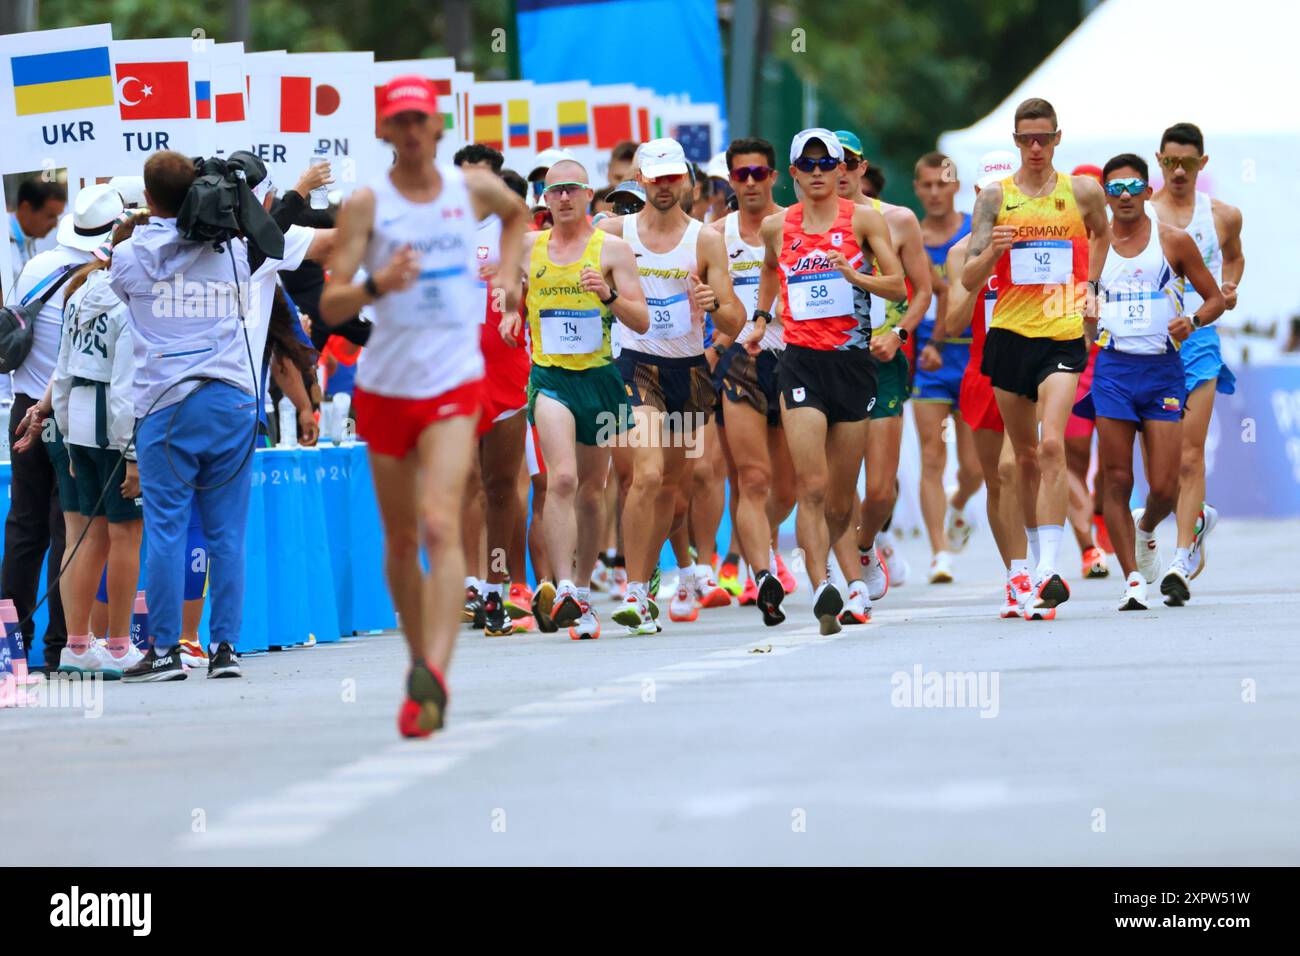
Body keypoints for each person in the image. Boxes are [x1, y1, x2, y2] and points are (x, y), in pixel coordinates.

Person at [319, 76, 526, 735]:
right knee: (404, 537)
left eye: (420, 120)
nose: (410, 131)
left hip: (453, 381)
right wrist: (379, 283)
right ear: (385, 130)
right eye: (398, 121)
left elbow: (520, 214)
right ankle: (417, 657)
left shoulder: (472, 191)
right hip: (385, 384)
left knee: (442, 522)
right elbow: (330, 304)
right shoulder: (366, 205)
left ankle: (435, 673)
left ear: (437, 127)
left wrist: (513, 278)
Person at [962, 97, 1110, 621]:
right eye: (1025, 138)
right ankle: (1022, 572)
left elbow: (1102, 230)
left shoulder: (1081, 191)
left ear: (1058, 138)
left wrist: (1091, 286)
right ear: (1015, 139)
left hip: (1064, 336)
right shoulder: (995, 199)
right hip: (1009, 337)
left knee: (1051, 449)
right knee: (1021, 460)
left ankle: (1048, 570)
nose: (1034, 147)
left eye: (1043, 137)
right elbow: (966, 278)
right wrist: (994, 252)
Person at [756, 128, 904, 634]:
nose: (819, 172)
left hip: (854, 365)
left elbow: (898, 283)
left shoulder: (862, 219)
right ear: (794, 172)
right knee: (811, 485)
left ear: (840, 169)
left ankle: (848, 565)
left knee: (842, 497)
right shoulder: (778, 227)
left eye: (827, 164)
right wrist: (759, 319)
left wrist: (857, 276)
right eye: (809, 164)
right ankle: (823, 586)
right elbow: (771, 275)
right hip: (800, 362)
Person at [598, 138, 744, 634]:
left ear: (686, 180)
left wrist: (712, 301)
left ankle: (657, 569)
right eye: (655, 177)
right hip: (634, 365)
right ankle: (636, 591)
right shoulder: (615, 233)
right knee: (646, 473)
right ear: (640, 179)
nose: (663, 187)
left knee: (675, 494)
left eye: (671, 177)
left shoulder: (704, 240)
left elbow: (735, 316)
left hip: (689, 371)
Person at [504, 158, 648, 638]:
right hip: (550, 380)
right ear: (544, 199)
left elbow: (641, 320)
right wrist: (510, 314)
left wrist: (607, 295)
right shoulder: (527, 247)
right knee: (561, 478)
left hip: (601, 379)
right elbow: (509, 287)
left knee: (592, 488)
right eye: (554, 190)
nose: (563, 198)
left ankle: (582, 593)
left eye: (572, 189)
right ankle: (561, 584)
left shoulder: (614, 250)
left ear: (589, 196)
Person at [1085, 154, 1224, 609]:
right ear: (1106, 196)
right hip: (1113, 371)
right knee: (1117, 476)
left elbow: (1215, 298)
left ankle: (1147, 528)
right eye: (1116, 189)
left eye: (1133, 187)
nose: (1125, 196)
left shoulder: (1173, 242)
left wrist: (1194, 320)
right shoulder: (1094, 247)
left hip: (1163, 370)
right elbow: (1078, 306)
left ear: (1148, 192)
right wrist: (1084, 317)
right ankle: (1131, 581)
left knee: (1164, 486)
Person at [3, 183, 120, 672]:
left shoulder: (36, 265)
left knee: (24, 529)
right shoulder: (107, 278)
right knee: (71, 532)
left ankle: (10, 649)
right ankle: (60, 648)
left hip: (24, 406)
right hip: (73, 411)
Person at [822, 131, 932, 624]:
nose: (839, 170)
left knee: (881, 490)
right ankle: (847, 579)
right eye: (829, 162)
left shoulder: (897, 220)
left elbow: (924, 292)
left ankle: (865, 546)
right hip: (827, 363)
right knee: (834, 483)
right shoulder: (804, 225)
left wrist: (900, 336)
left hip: (882, 363)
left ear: (863, 167)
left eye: (848, 161)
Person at [49, 214, 146, 676]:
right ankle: (121, 643)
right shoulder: (132, 305)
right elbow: (126, 384)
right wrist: (131, 454)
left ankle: (78, 645)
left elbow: (63, 369)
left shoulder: (81, 293)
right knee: (126, 533)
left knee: (86, 534)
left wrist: (68, 439)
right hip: (114, 427)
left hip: (81, 425)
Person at [1148, 122, 1244, 586]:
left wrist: (1228, 286)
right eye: (1171, 162)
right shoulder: (1142, 216)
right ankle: (1192, 518)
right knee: (1160, 465)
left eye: (1188, 162)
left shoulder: (1222, 215)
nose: (1179, 170)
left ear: (1201, 164)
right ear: (1159, 161)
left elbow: (1235, 256)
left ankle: (1182, 558)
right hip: (1148, 345)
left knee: (1189, 456)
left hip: (1200, 341)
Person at [706, 137, 793, 625]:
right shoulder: (713, 235)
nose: (753, 183)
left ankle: (761, 544)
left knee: (789, 488)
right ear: (731, 180)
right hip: (741, 358)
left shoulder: (796, 224)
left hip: (796, 356)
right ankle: (762, 576)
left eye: (761, 173)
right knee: (752, 478)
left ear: (775, 176)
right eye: (743, 175)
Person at [944, 151, 1032, 618]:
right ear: (978, 196)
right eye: (989, 194)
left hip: (1029, 369)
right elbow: (952, 322)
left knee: (1016, 471)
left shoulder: (1041, 240)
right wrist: (987, 264)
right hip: (982, 372)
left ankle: (1039, 565)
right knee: (998, 483)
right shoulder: (963, 251)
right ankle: (1017, 576)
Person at [453, 144, 534, 637]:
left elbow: (532, 285)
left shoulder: (518, 236)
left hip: (505, 373)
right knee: (465, 482)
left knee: (502, 486)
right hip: (454, 373)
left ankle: (496, 586)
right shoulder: (435, 235)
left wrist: (514, 298)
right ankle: (465, 582)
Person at [911, 151, 983, 584]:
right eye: (927, 185)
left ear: (956, 186)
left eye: (943, 184)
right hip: (929, 364)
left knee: (974, 470)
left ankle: (958, 505)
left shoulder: (975, 232)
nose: (936, 192)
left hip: (973, 358)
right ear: (917, 188)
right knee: (932, 457)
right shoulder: (910, 237)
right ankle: (940, 553)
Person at [8, 177, 67, 287]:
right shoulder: (5, 240)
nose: (55, 224)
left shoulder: (28, 236)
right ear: (26, 208)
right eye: (50, 216)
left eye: (57, 217)